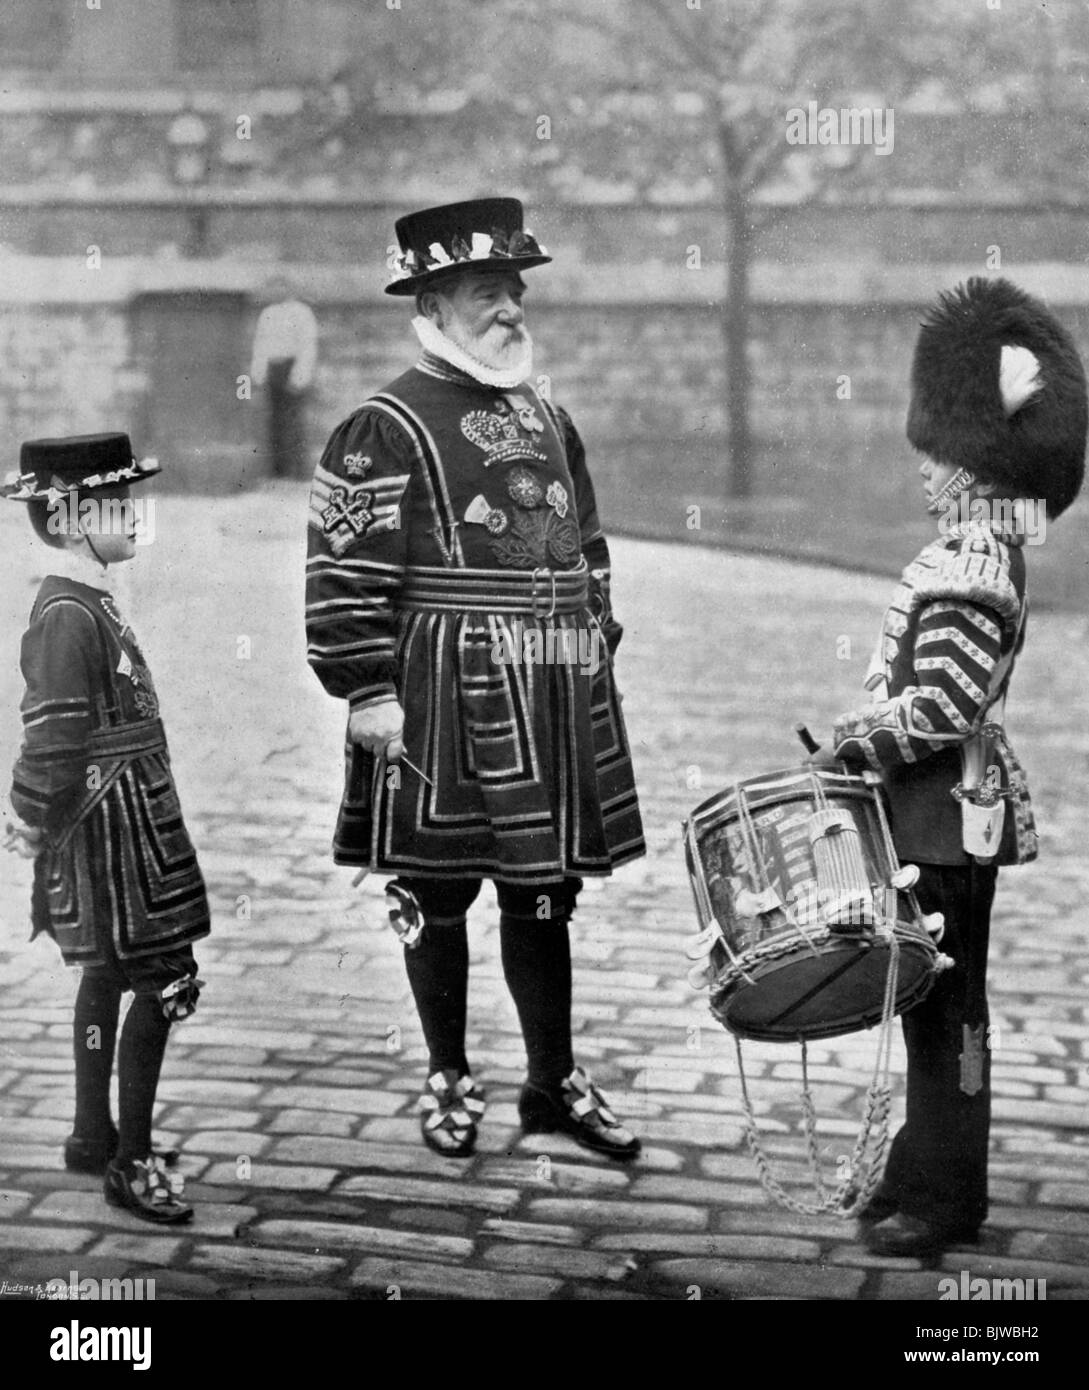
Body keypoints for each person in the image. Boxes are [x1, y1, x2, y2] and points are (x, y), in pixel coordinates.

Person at [305, 198, 646, 1160]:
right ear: (436, 301)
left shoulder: (547, 415)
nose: (512, 312)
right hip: (440, 684)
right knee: (438, 889)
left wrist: (594, 639)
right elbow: (342, 573)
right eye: (491, 295)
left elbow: (587, 540)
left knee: (544, 890)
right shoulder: (380, 426)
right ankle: (449, 1071)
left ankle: (552, 1081)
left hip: (548, 683)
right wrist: (367, 687)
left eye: (517, 293)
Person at [825, 278, 1086, 1256]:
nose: (926, 475)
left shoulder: (975, 564)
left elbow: (943, 708)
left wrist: (862, 738)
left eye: (939, 458)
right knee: (932, 1006)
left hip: (947, 815)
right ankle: (922, 1164)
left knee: (947, 1013)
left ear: (980, 468)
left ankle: (949, 1196)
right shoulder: (972, 550)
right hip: (928, 816)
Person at [2, 434, 211, 1224]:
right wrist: (27, 815)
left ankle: (95, 1133)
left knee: (106, 975)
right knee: (163, 980)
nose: (137, 518)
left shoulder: (90, 599)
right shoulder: (64, 614)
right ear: (69, 518)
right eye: (120, 506)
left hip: (130, 829)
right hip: (111, 837)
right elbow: (51, 733)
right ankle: (132, 1160)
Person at [250, 276, 319, 479]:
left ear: (290, 289)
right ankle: (277, 472)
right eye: (274, 288)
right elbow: (260, 346)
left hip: (292, 368)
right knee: (274, 421)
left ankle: (297, 472)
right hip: (274, 369)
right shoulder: (268, 313)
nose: (277, 292)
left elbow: (307, 346)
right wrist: (258, 373)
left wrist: (299, 376)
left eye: (281, 288)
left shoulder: (301, 313)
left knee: (294, 421)